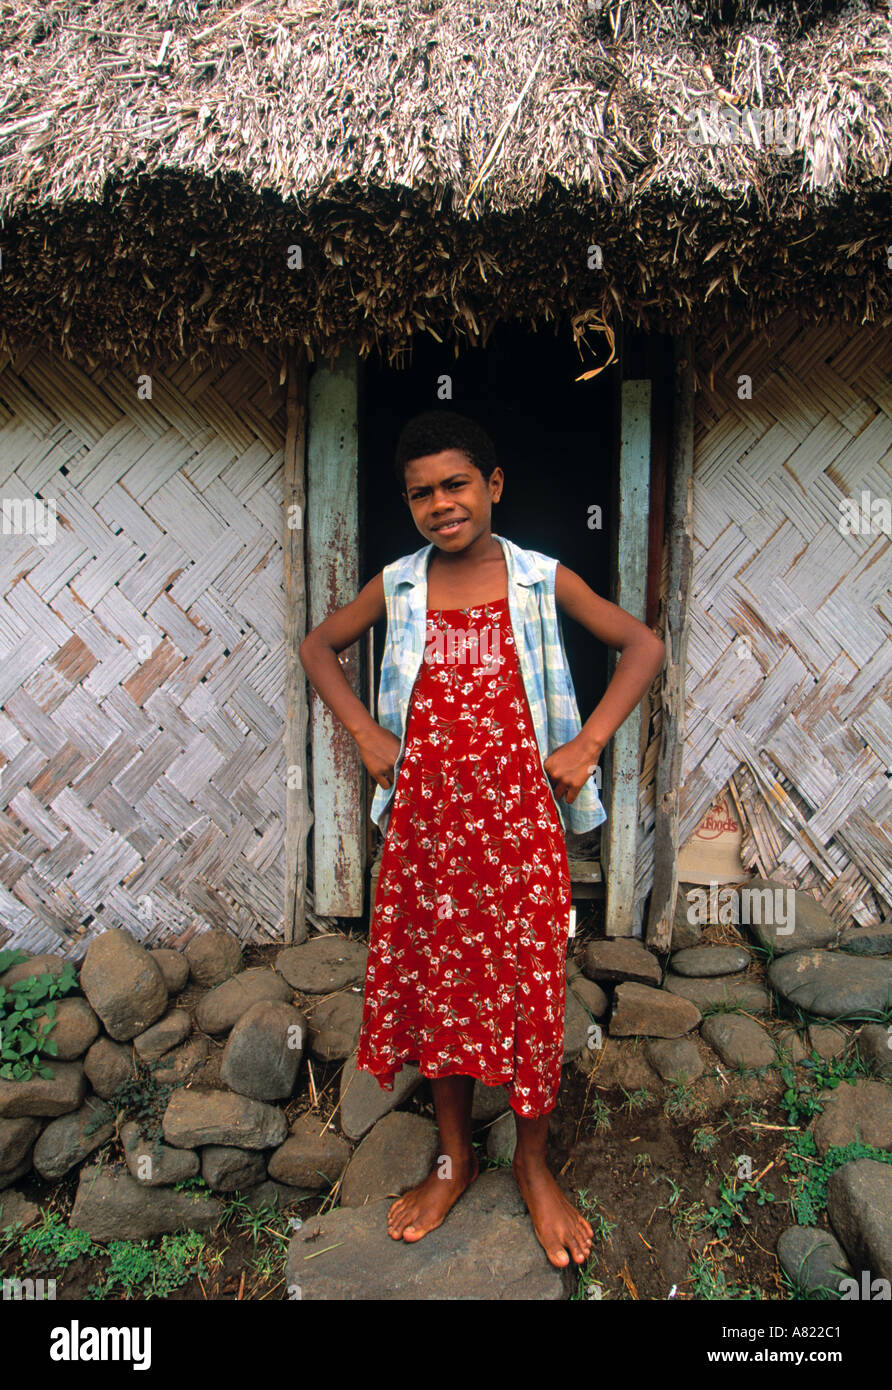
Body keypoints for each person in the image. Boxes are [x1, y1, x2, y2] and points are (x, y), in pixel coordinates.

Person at [299, 409, 665, 1270]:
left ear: (493, 486)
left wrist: (585, 744)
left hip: (521, 828)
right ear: (409, 504)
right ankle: (455, 1158)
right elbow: (320, 646)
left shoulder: (542, 578)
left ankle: (533, 1167)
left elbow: (642, 646)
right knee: (439, 986)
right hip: (428, 830)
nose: (440, 503)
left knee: (530, 990)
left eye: (456, 484)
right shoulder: (398, 585)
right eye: (421, 492)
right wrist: (363, 732)